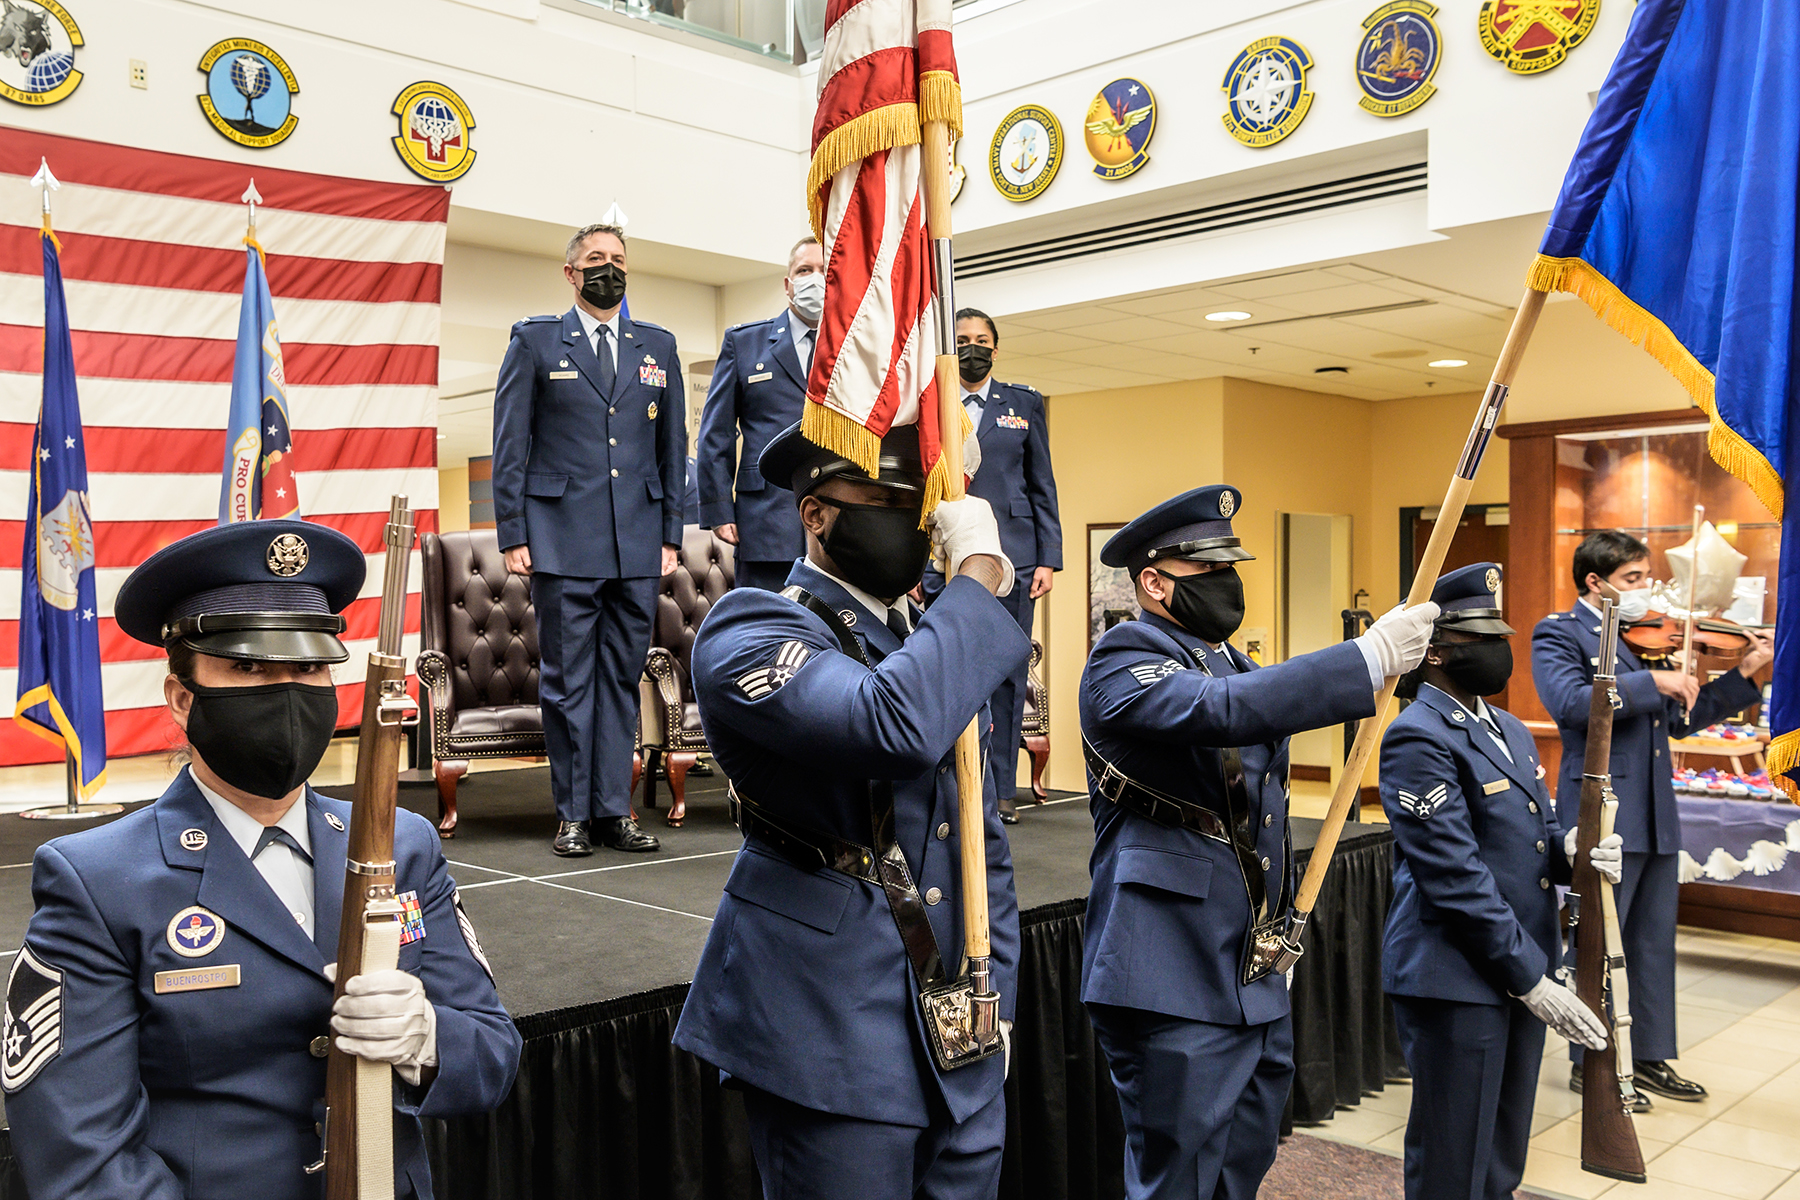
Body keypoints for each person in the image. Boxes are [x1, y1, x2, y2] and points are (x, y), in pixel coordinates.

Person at [4, 520, 522, 1200]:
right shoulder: (97, 882)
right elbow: (81, 1155)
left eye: (308, 667)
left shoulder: (403, 845)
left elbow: (490, 1057)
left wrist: (427, 1039)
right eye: (248, 667)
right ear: (183, 699)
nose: (286, 691)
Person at [674, 421, 1029, 1198]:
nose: (914, 517)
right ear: (816, 513)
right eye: (886, 498)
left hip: (959, 1034)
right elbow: (889, 725)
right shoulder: (754, 627)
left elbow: (978, 835)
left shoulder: (927, 638)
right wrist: (972, 575)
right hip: (827, 1029)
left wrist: (993, 987)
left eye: (923, 501)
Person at [1078, 485, 1439, 1200]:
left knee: (1246, 1155)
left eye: (1229, 566)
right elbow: (1221, 712)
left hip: (1247, 965)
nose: (1227, 583)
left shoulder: (1231, 661)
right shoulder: (1123, 654)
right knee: (1178, 1175)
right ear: (1153, 582)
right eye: (1206, 571)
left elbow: (1257, 704)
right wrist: (1362, 658)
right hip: (1168, 965)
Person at [1382, 563, 1623, 1199]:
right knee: (1453, 1162)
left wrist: (1574, 854)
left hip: (1516, 966)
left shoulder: (1508, 728)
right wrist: (1530, 978)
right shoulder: (1417, 735)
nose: (1498, 649)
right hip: (1457, 973)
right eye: (1480, 637)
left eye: (1500, 634)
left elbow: (1532, 839)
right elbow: (1453, 876)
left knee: (1500, 1158)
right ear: (1435, 651)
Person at [1533, 530, 1771, 1102]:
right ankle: (1590, 1058)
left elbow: (1678, 720)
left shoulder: (1643, 640)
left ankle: (1650, 1056)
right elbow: (1570, 704)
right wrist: (1653, 679)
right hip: (1605, 813)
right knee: (1596, 941)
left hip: (1657, 816)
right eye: (1633, 580)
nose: (1646, 592)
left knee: (1652, 944)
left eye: (1646, 578)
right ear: (1596, 582)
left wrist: (1746, 676)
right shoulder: (1560, 633)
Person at [492, 221, 686, 856]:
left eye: (619, 259)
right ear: (571, 273)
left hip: (636, 541)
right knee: (569, 681)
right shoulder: (537, 341)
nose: (610, 268)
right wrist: (514, 532)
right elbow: (510, 445)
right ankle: (573, 812)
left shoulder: (656, 346)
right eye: (596, 259)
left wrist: (670, 535)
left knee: (618, 679)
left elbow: (669, 448)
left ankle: (614, 809)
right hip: (560, 538)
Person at [922, 307, 1061, 823]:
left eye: (982, 339)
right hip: (944, 557)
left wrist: (1049, 558)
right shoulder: (928, 403)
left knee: (1007, 672)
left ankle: (1002, 792)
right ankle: (948, 785)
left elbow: (1042, 484)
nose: (973, 346)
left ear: (996, 349)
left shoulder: (1022, 403)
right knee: (944, 668)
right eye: (962, 339)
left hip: (1016, 558)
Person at [696, 236, 824, 592]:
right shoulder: (745, 342)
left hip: (837, 519)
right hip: (765, 519)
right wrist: (718, 509)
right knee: (765, 627)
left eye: (824, 271)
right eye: (804, 270)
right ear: (788, 284)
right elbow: (716, 433)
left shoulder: (855, 345)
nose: (815, 279)